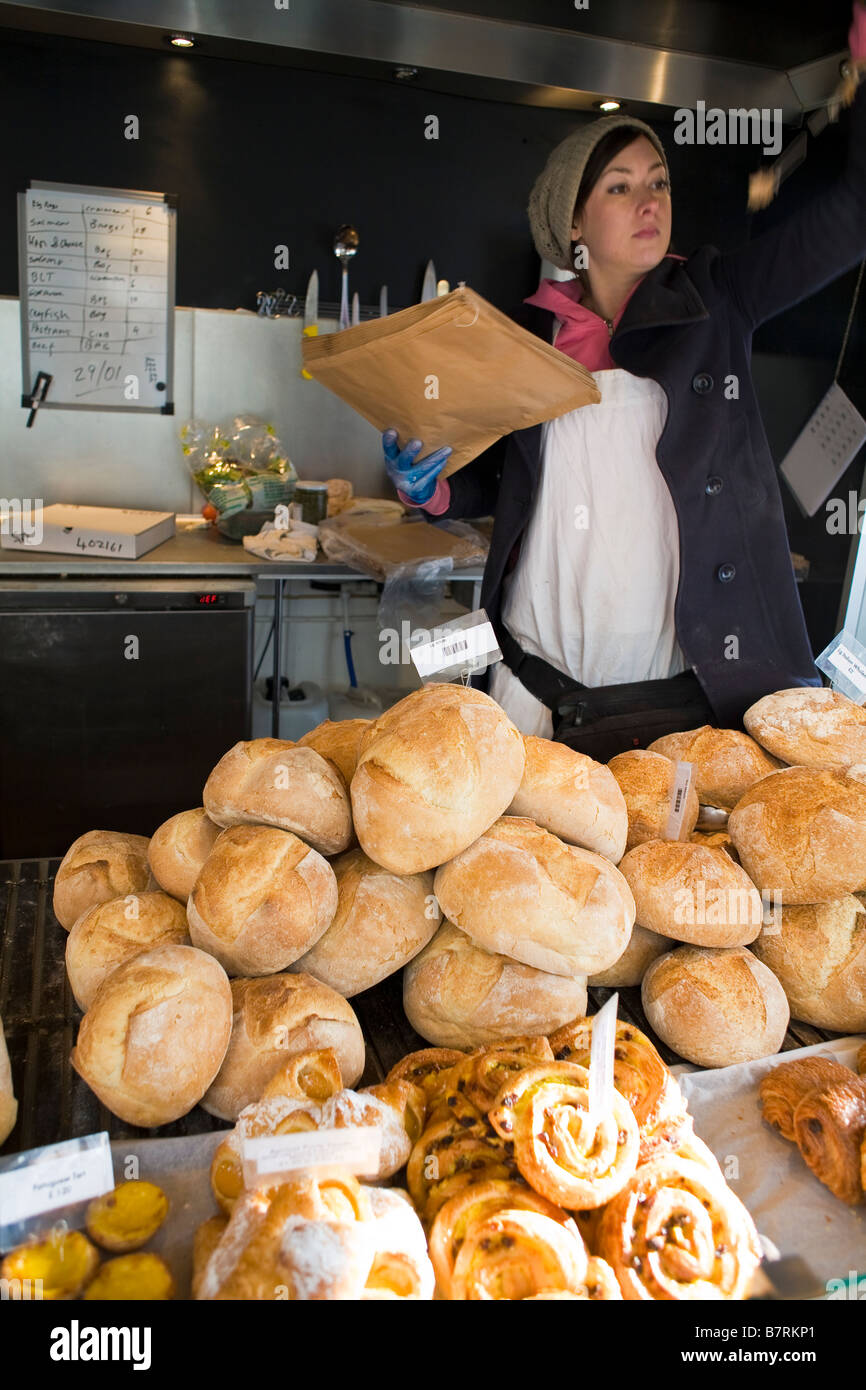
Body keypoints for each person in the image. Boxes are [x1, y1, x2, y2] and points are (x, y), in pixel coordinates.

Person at [383, 3, 866, 761]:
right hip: (533, 693)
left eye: (660, 182)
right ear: (572, 223)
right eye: (619, 187)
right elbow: (510, 480)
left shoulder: (719, 299)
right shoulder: (527, 337)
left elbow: (853, 216)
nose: (650, 202)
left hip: (680, 700)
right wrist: (434, 488)